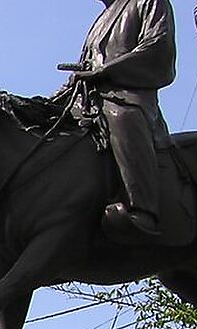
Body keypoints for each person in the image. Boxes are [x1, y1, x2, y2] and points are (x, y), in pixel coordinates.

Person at [65, 0, 177, 240]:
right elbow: (85, 66)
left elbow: (158, 47)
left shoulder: (148, 2)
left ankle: (142, 208)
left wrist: (105, 72)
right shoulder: (100, 21)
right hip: (89, 101)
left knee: (122, 117)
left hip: (127, 95)